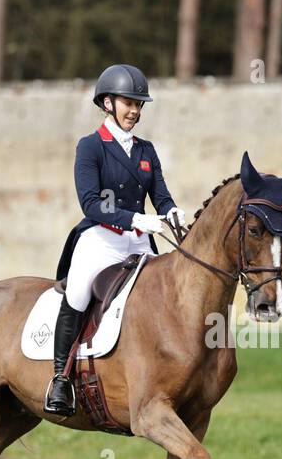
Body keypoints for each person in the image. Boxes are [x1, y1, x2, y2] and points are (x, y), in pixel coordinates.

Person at [46, 64, 185, 416]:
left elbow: (161, 196)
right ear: (107, 103)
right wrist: (136, 218)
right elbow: (90, 204)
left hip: (138, 242)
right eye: (129, 103)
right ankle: (60, 379)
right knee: (78, 292)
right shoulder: (91, 147)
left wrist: (172, 212)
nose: (135, 111)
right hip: (100, 238)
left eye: (139, 105)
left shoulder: (146, 151)